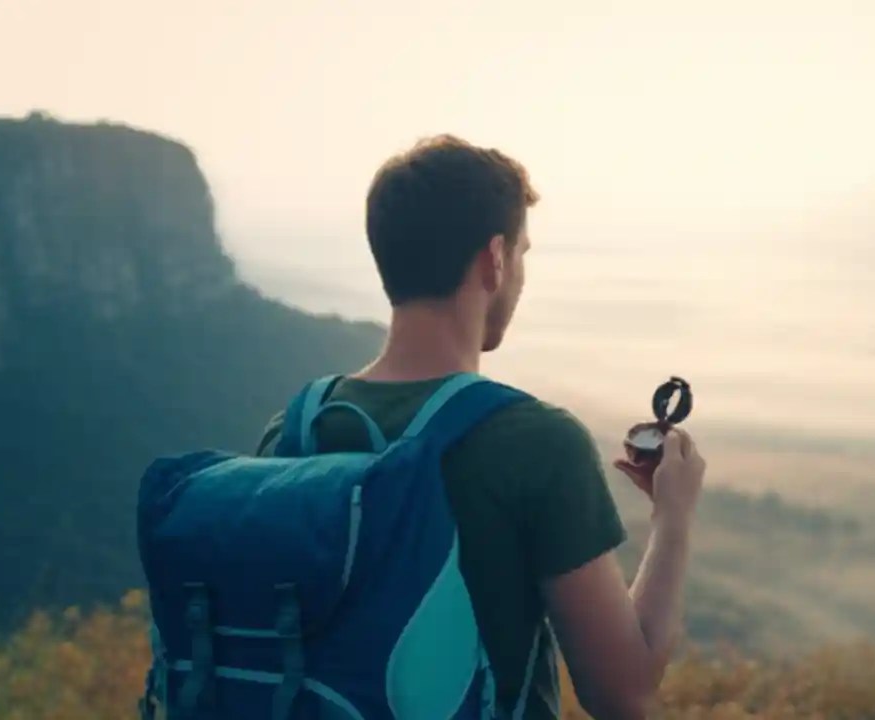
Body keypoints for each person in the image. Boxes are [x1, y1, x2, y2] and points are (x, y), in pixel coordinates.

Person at [253, 135, 707, 719]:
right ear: (495, 259)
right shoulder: (534, 442)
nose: (519, 273)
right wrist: (674, 518)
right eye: (522, 252)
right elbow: (625, 694)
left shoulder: (293, 432)